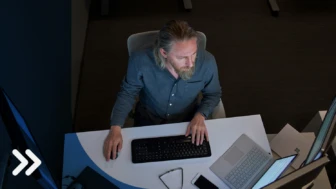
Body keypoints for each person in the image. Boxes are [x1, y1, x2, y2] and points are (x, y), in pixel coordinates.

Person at [103, 20, 222, 161]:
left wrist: (200, 115)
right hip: (148, 120)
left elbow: (213, 94)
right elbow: (128, 93)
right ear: (164, 53)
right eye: (182, 57)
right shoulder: (140, 60)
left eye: (194, 54)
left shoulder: (207, 62)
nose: (190, 63)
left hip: (187, 122)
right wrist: (115, 128)